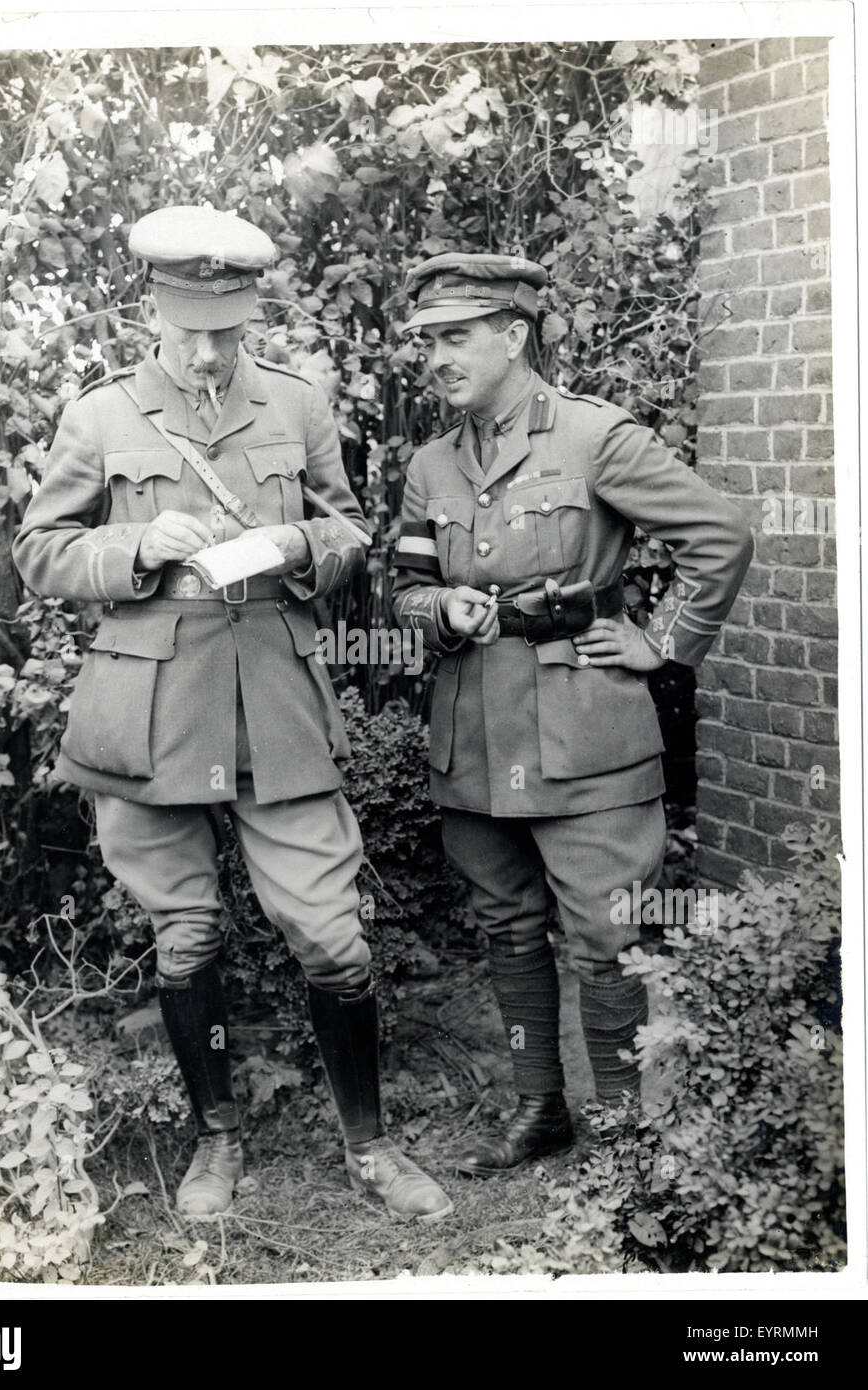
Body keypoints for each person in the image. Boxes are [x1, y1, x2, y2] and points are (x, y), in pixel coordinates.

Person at [13, 205, 452, 1224]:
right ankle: (215, 1137)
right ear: (153, 313)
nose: (207, 352)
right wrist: (134, 548)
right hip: (149, 707)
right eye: (186, 331)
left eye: (226, 330)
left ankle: (370, 1142)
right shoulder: (102, 414)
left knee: (330, 935)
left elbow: (347, 526)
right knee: (184, 934)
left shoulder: (297, 403)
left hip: (276, 701)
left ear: (250, 316)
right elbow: (40, 552)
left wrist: (304, 547)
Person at [391, 253, 753, 1174]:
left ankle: (627, 1135)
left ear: (513, 337)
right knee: (506, 926)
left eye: (455, 337)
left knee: (605, 934)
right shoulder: (431, 463)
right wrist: (440, 611)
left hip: (586, 730)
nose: (436, 356)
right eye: (427, 340)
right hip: (473, 732)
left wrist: (665, 644)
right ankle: (539, 1110)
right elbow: (405, 584)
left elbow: (720, 536)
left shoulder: (597, 437)